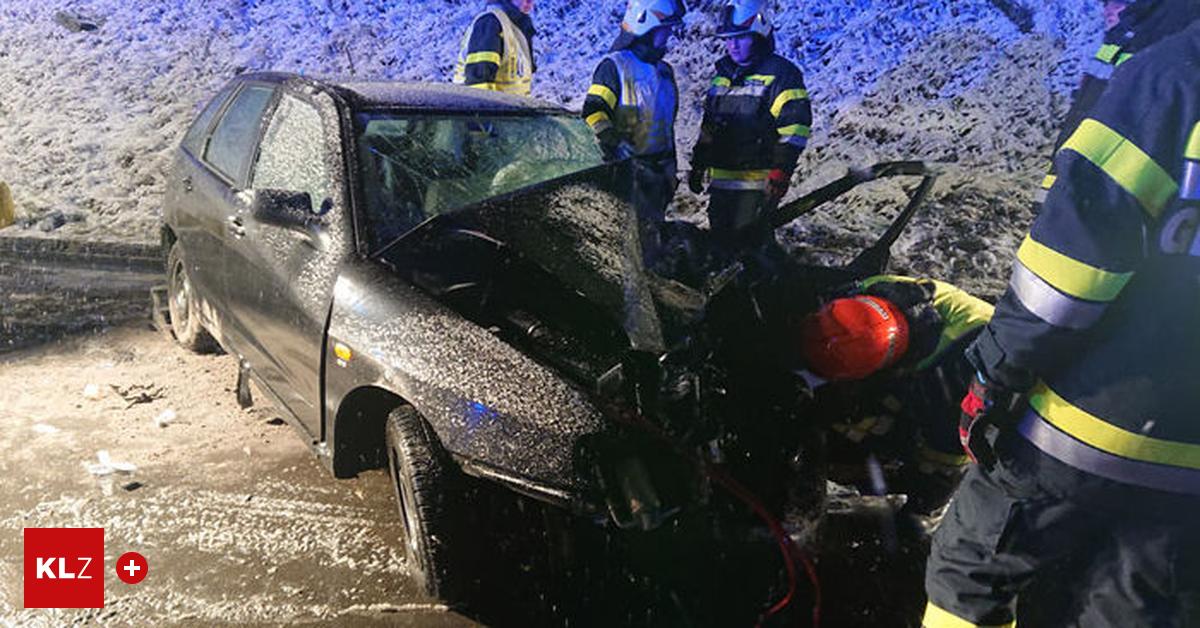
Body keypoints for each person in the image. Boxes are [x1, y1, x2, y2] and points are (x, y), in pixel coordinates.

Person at [924, 19, 1200, 628]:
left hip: (1087, 426)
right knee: (1137, 607)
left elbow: (1064, 278)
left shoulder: (1172, 75)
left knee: (970, 571)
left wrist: (991, 379)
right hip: (1190, 477)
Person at [800, 275, 993, 520]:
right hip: (924, 362)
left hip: (973, 386)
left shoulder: (952, 384)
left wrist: (915, 514)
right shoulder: (862, 296)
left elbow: (944, 465)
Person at [1036, 0, 1200, 203]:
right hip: (1071, 187)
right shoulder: (1132, 24)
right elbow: (1087, 104)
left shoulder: (1178, 29)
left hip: (1109, 199)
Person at [687, 0, 811, 257]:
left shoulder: (782, 74)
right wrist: (699, 162)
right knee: (722, 254)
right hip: (722, 186)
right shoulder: (722, 75)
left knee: (751, 256)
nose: (732, 45)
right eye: (729, 39)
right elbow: (710, 125)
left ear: (760, 34)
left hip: (757, 187)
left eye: (740, 38)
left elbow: (795, 127)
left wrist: (781, 170)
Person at [582, 0, 687, 266]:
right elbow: (593, 111)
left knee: (651, 244)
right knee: (627, 249)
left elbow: (666, 126)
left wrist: (670, 170)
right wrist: (613, 144)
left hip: (657, 175)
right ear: (646, 24)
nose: (669, 34)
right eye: (665, 28)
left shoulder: (665, 72)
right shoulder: (614, 66)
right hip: (624, 175)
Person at [452, 0, 536, 96]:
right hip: (489, 108)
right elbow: (479, 83)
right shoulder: (490, 23)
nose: (529, 2)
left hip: (509, 108)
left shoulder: (517, 28)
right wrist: (483, 110)